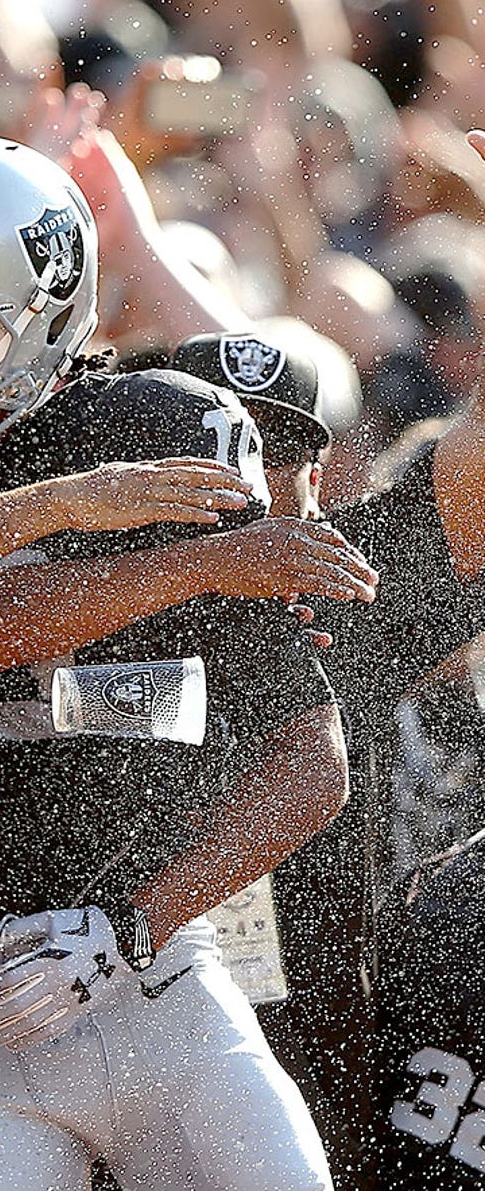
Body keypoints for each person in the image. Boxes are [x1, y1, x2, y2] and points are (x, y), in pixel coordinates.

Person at [0, 133, 379, 1191]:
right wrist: (196, 563)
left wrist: (129, 929)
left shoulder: (159, 423)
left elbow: (311, 758)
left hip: (163, 972)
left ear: (32, 312)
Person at [171, 317, 485, 1189]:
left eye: (281, 452)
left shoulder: (353, 594)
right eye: (218, 440)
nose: (250, 477)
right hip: (87, 1040)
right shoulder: (76, 592)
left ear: (318, 478)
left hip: (309, 1078)